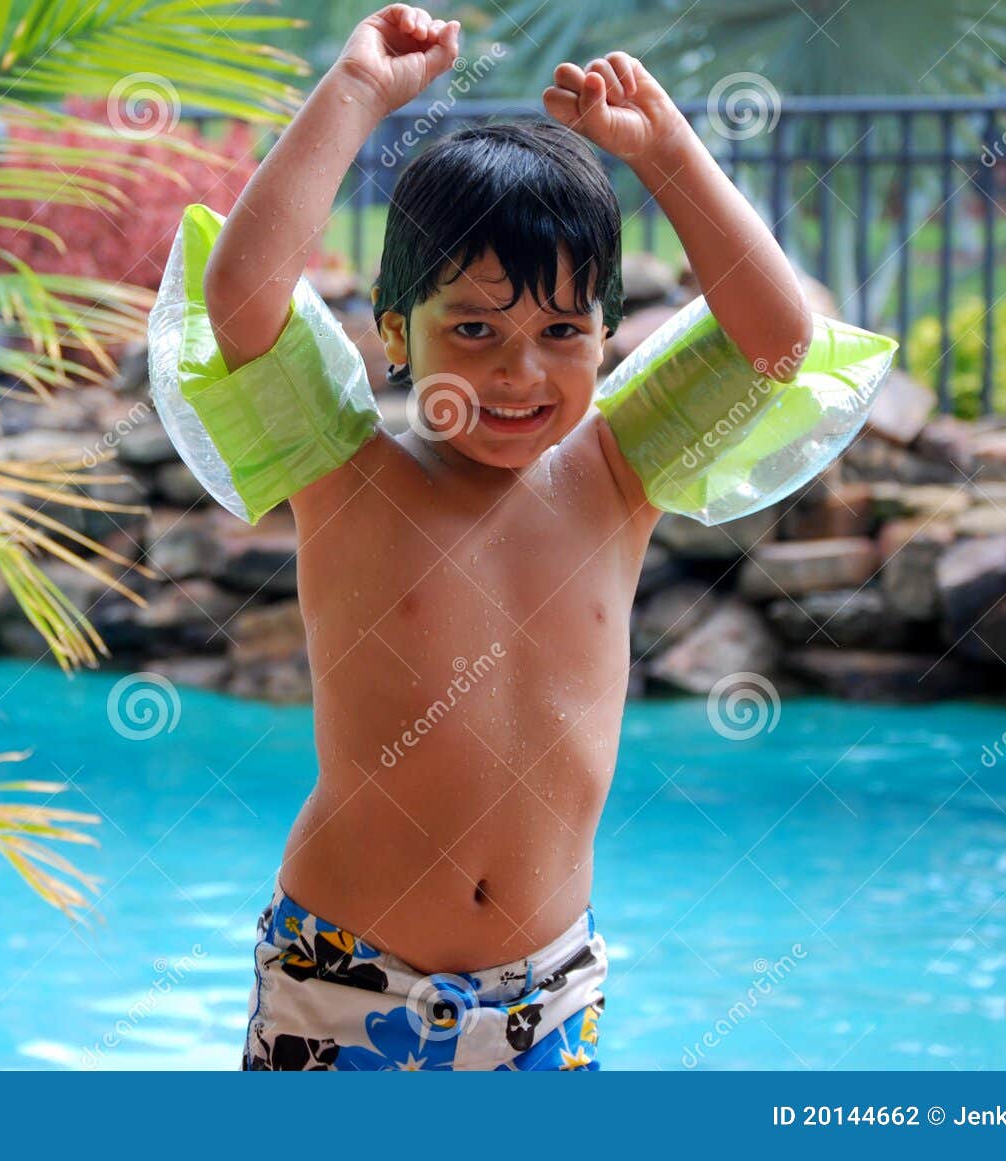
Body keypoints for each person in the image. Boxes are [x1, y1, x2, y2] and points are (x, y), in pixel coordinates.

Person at [148, 4, 891, 1070]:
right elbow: (242, 295)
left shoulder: (619, 473)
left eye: (561, 331)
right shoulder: (346, 473)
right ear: (394, 332)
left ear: (607, 335)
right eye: (473, 329)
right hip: (344, 979)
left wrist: (666, 151)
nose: (518, 372)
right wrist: (356, 94)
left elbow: (780, 345)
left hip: (546, 991)